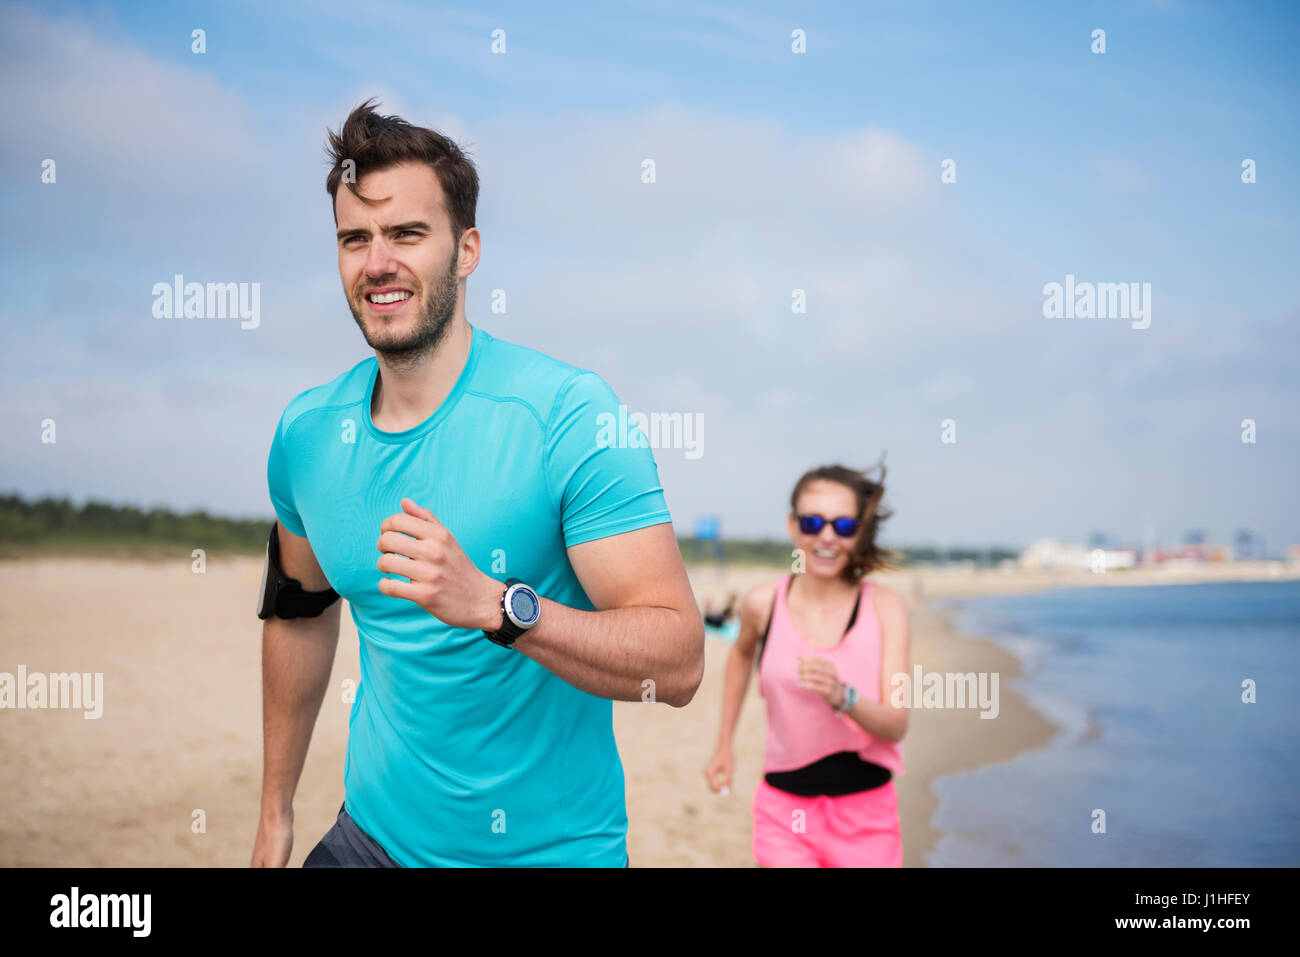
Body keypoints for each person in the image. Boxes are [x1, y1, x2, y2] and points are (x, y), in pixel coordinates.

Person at [250, 99, 704, 868]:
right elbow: (298, 609)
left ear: (466, 251)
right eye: (354, 238)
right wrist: (275, 811)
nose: (377, 262)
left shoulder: (568, 415)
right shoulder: (308, 434)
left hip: (549, 852)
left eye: (406, 234)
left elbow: (680, 659)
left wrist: (499, 608)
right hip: (371, 839)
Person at [704, 463, 910, 867]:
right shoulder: (763, 603)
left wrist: (843, 697)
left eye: (843, 525)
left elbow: (897, 723)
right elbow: (741, 655)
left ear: (859, 531)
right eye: (813, 522)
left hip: (867, 818)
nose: (827, 537)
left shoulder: (886, 608)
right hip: (784, 815)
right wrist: (724, 745)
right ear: (792, 525)